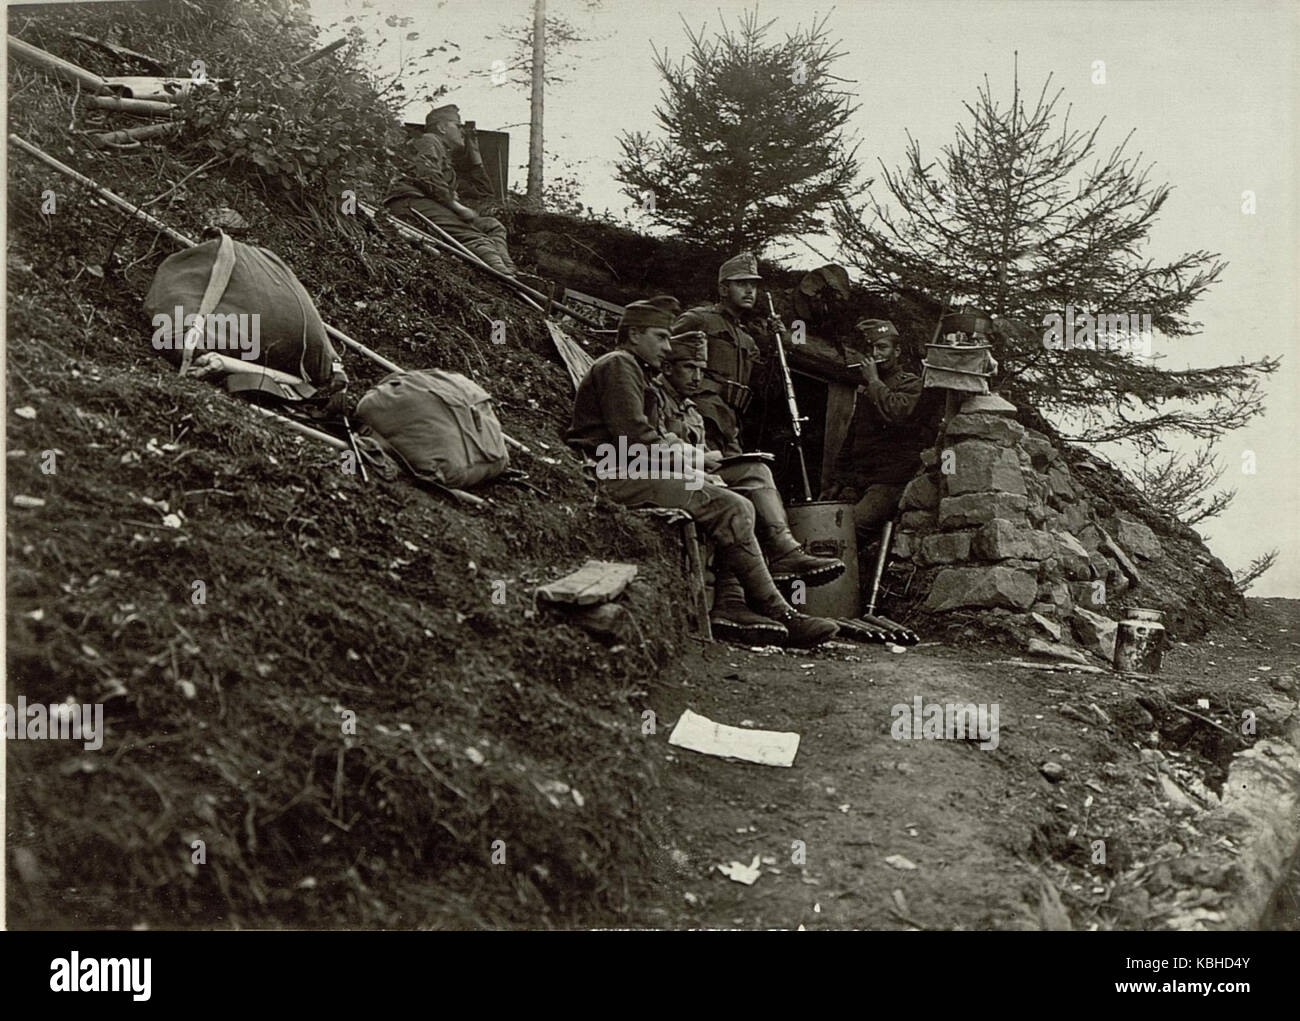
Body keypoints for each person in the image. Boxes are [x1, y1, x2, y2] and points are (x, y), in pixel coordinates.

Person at [567, 300, 839, 649]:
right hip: (613, 472)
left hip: (631, 466)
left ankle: (746, 606)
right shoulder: (619, 365)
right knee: (733, 506)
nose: (667, 348)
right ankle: (780, 612)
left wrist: (694, 463)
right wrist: (694, 461)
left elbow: (650, 436)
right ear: (634, 334)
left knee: (734, 499)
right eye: (661, 337)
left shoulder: (634, 369)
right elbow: (634, 437)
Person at [820, 318, 935, 535]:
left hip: (889, 483)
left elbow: (898, 413)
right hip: (860, 482)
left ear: (897, 351)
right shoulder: (867, 391)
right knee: (823, 523)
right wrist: (837, 482)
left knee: (850, 527)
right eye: (871, 348)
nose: (875, 353)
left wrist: (873, 380)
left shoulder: (910, 384)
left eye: (882, 347)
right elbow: (851, 440)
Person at [384, 104, 518, 276]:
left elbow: (483, 192)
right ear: (442, 127)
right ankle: (505, 276)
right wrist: (456, 206)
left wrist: (475, 156)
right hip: (410, 201)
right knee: (475, 236)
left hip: (425, 203)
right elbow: (427, 175)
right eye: (458, 126)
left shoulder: (446, 159)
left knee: (492, 226)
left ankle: (511, 270)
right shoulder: (428, 140)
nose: (462, 132)